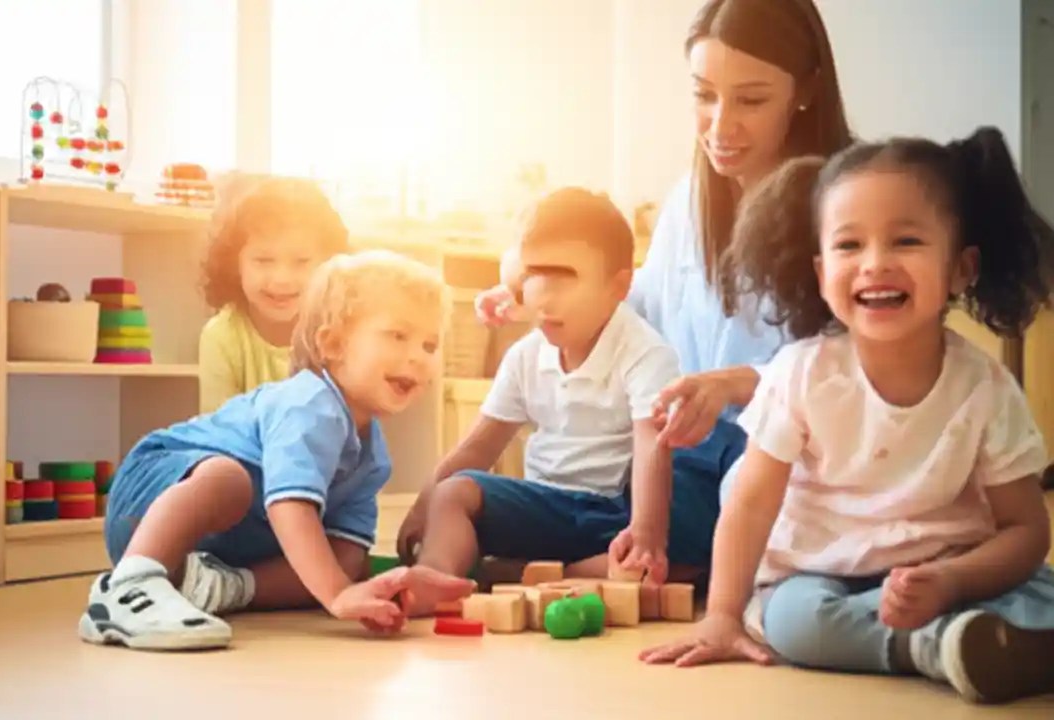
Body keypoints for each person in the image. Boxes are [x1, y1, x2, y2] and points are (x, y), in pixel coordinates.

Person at [641, 127, 1054, 705]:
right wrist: (724, 616)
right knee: (795, 622)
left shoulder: (985, 386)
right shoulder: (802, 373)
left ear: (961, 269)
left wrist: (952, 580)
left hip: (948, 575)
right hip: (822, 577)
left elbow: (1027, 531)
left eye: (906, 241)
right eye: (849, 245)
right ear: (819, 272)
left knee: (1041, 591)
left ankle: (984, 638)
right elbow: (750, 504)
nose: (875, 264)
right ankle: (935, 647)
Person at [459, 0, 855, 572]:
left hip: (784, 452)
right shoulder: (689, 205)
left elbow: (859, 363)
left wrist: (737, 383)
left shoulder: (841, 206)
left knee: (726, 512)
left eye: (751, 99)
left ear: (805, 90)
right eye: (703, 95)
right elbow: (634, 306)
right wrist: (539, 296)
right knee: (625, 504)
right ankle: (566, 566)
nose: (721, 126)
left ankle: (549, 572)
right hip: (684, 453)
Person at [83, 250, 475, 651]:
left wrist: (375, 587)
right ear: (334, 344)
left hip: (220, 546)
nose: (417, 356)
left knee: (346, 558)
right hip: (152, 499)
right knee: (229, 480)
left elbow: (345, 556)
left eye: (429, 344)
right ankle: (128, 585)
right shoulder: (309, 403)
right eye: (397, 335)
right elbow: (290, 507)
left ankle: (219, 589)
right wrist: (338, 594)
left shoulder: (371, 455)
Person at [400, 187, 682, 595]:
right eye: (533, 277)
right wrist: (422, 506)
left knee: (665, 554)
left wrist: (645, 535)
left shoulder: (645, 353)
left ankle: (530, 573)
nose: (545, 299)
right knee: (453, 492)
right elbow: (477, 448)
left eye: (565, 279)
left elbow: (653, 450)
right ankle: (436, 578)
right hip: (541, 507)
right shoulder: (525, 356)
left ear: (618, 287)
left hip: (608, 515)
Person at [198, 176, 350, 413]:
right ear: (234, 264)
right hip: (242, 449)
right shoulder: (223, 336)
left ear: (329, 263)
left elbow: (351, 428)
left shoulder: (342, 332)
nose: (281, 279)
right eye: (263, 260)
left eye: (301, 262)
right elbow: (217, 433)